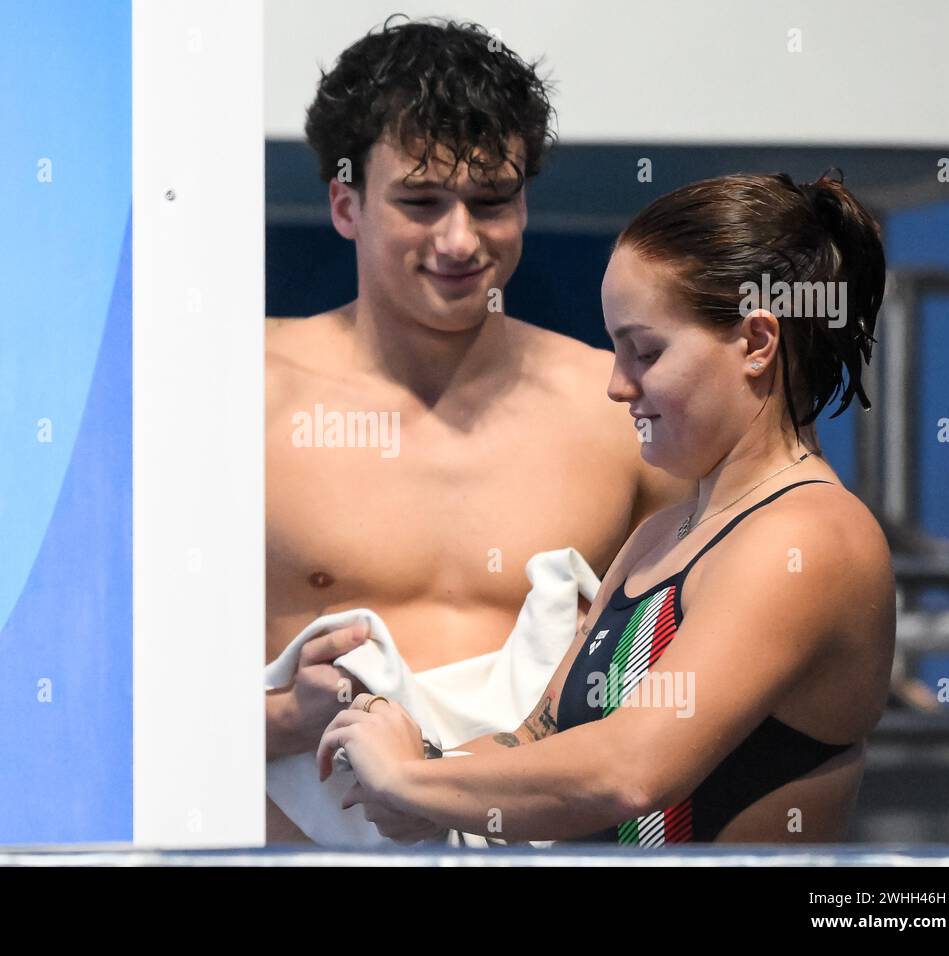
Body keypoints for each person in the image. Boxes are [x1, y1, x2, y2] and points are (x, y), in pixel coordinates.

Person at [317, 171, 897, 844]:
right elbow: (534, 741)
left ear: (756, 343)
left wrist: (409, 782)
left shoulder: (812, 539)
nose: (619, 385)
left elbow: (632, 769)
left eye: (646, 351)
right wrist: (427, 773)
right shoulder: (660, 537)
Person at [266, 16, 693, 842]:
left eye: (491, 201)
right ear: (346, 204)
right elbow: (109, 688)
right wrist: (284, 718)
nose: (460, 240)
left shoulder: (618, 407)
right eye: (421, 203)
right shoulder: (240, 399)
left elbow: (707, 678)